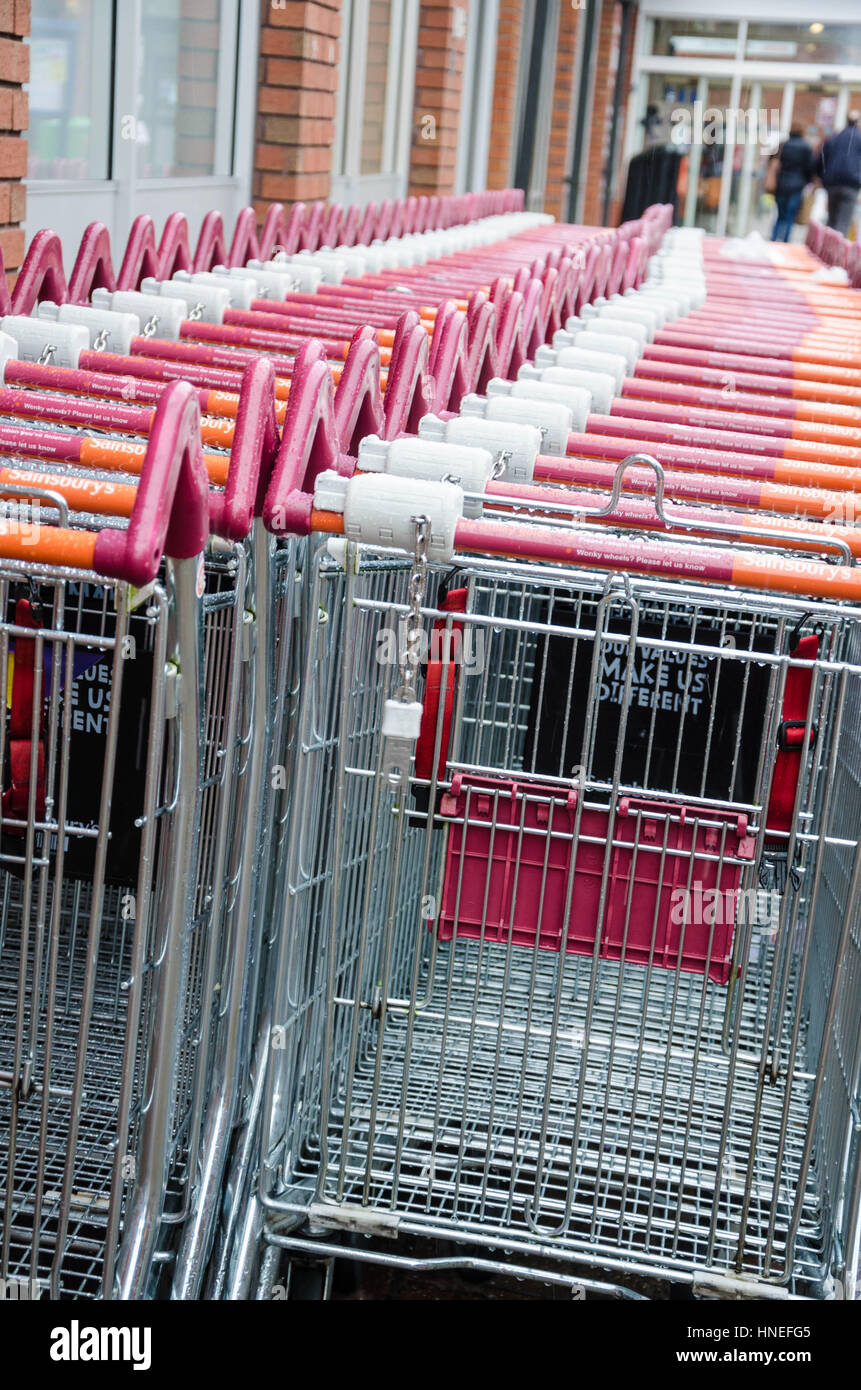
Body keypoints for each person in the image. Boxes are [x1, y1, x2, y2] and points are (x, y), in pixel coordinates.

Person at [817, 111, 861, 236]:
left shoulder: (834, 137)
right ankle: (836, 251)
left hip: (832, 183)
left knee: (832, 219)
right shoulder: (859, 138)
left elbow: (822, 158)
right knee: (843, 222)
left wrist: (822, 177)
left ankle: (826, 250)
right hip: (851, 184)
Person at [770, 128, 815, 241]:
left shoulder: (783, 146)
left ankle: (774, 238)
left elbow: (771, 160)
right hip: (797, 185)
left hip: (782, 183)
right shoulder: (806, 147)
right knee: (790, 215)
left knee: (780, 214)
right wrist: (807, 181)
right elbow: (810, 167)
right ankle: (785, 240)